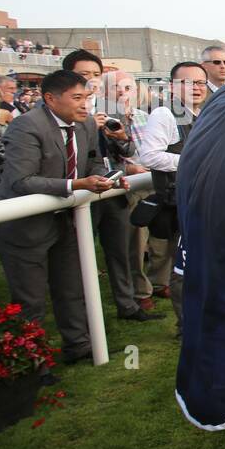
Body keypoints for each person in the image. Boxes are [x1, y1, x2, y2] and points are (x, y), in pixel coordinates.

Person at [0, 70, 127, 380]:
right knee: (31, 300)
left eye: (87, 98)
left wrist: (109, 178)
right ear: (50, 99)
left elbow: (91, 162)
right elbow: (21, 181)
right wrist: (79, 183)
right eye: (77, 98)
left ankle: (78, 345)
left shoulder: (88, 124)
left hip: (65, 219)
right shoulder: (25, 127)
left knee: (72, 287)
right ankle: (32, 362)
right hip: (22, 228)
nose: (85, 105)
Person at [64, 51, 159, 322]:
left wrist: (119, 136)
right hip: (80, 192)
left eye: (96, 75)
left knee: (121, 250)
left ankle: (128, 305)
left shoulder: (113, 111)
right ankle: (82, 318)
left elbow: (127, 149)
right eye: (85, 75)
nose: (91, 81)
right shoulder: (66, 115)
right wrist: (89, 129)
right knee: (77, 256)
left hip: (114, 190)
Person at [139, 62, 208, 330]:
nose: (196, 88)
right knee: (184, 267)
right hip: (180, 203)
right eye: (188, 83)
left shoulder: (205, 113)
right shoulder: (165, 114)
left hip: (204, 200)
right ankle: (186, 326)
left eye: (200, 83)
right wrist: (195, 159)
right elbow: (149, 156)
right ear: (172, 86)